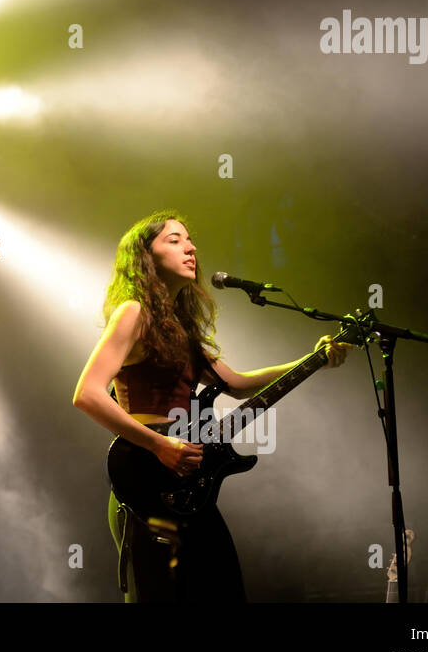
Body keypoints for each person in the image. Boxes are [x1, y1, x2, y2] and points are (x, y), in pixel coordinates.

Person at [72, 210, 351, 602]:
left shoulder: (179, 327)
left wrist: (313, 359)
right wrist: (160, 446)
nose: (191, 247)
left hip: (188, 485)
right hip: (145, 483)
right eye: (174, 239)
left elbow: (236, 384)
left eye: (189, 239)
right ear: (145, 257)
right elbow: (87, 394)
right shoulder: (133, 312)